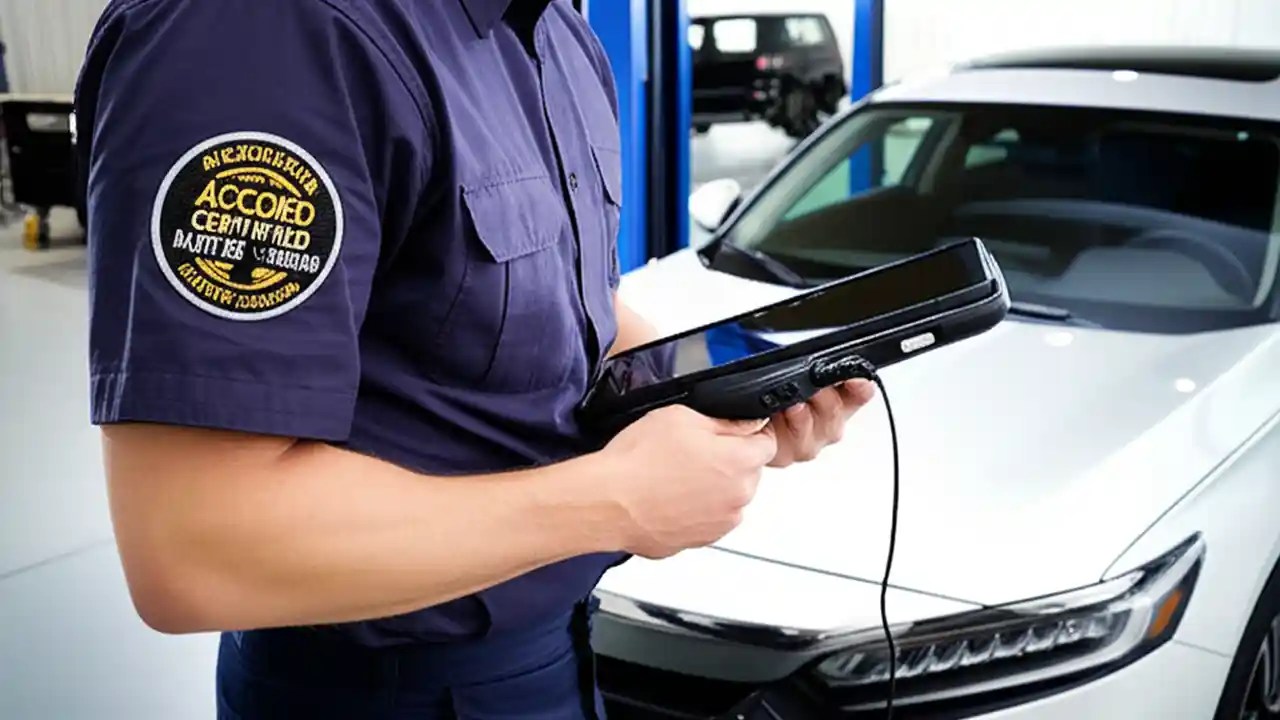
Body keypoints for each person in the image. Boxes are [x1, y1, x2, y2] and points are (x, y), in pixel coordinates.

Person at [74, 0, 877, 717]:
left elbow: (561, 308)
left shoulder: (555, 32)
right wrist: (616, 501)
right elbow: (197, 545)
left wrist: (714, 385)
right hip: (372, 689)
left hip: (557, 651)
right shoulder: (263, 32)